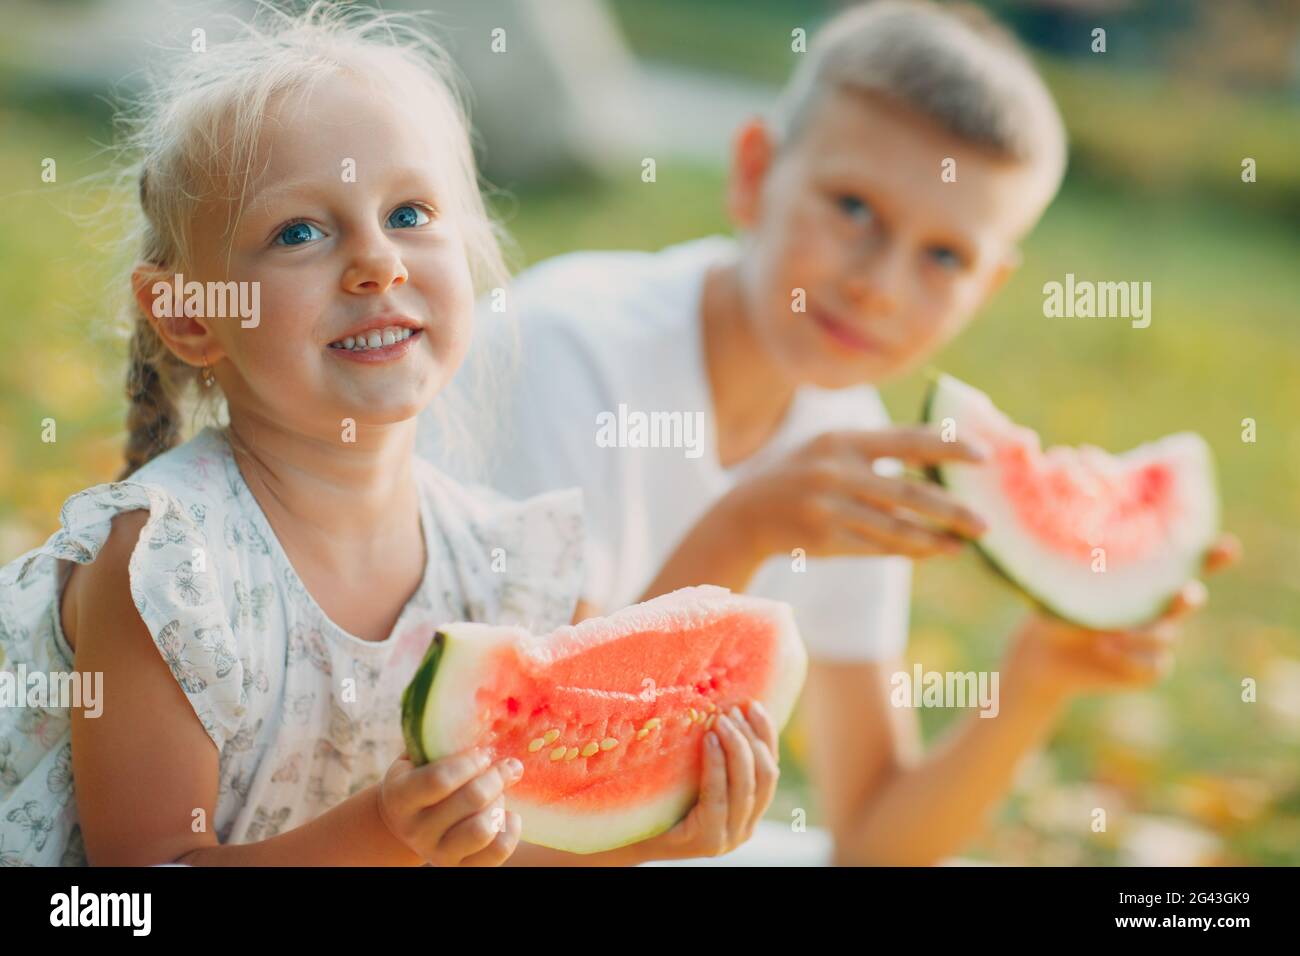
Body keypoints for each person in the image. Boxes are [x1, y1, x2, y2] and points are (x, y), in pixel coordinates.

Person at [418, 0, 1238, 865]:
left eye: (944, 257)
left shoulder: (849, 441)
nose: (880, 285)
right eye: (853, 207)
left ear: (988, 288)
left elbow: (876, 843)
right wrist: (749, 527)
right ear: (753, 174)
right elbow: (512, 816)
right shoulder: (562, 351)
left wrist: (1036, 679)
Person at [0, 2, 775, 867]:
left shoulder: (509, 569)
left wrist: (649, 837)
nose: (380, 261)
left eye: (409, 213)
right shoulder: (169, 568)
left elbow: (513, 852)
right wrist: (382, 837)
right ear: (189, 316)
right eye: (300, 232)